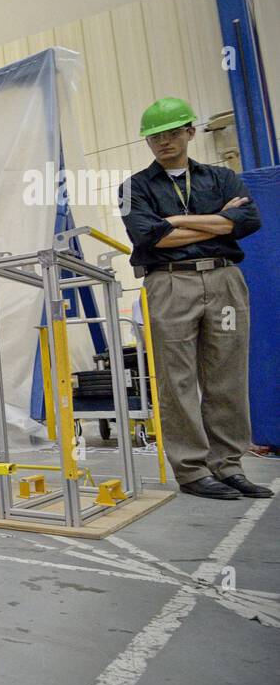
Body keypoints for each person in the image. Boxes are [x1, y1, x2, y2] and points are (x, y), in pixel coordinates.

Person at [120, 96, 269, 500]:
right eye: (155, 137)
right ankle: (191, 469)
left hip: (223, 280)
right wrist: (220, 223)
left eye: (171, 133)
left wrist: (178, 221)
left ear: (190, 131)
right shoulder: (133, 187)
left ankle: (229, 465)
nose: (163, 142)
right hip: (170, 285)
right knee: (177, 378)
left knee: (227, 373)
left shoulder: (221, 177)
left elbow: (248, 221)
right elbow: (148, 235)